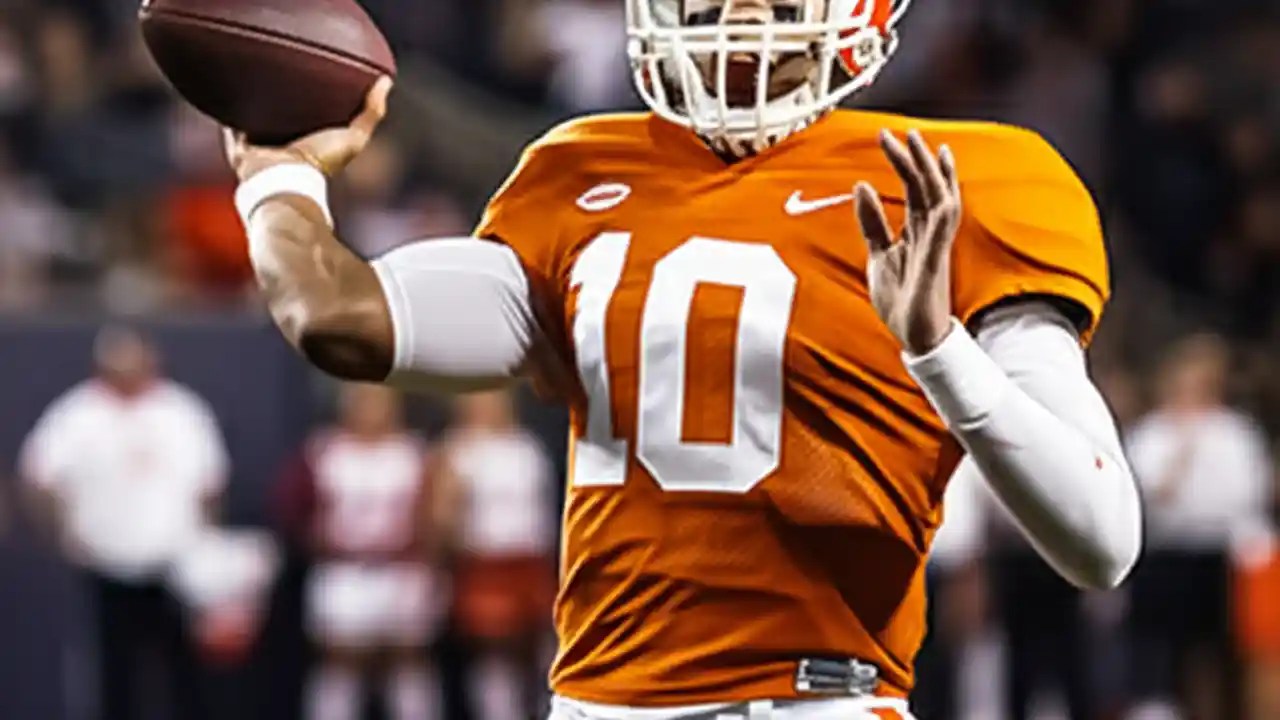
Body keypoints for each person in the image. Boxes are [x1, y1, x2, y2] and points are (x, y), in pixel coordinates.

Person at [224, 1, 1145, 717]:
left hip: (815, 701)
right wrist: (278, 174)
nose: (741, 12)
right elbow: (338, 317)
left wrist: (938, 349)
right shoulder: (576, 173)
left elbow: (1101, 537)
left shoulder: (954, 180)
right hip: (595, 704)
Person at [18, 325, 227, 720]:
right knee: (114, 677)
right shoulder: (77, 414)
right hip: (106, 568)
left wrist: (205, 547)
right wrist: (61, 533)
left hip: (175, 568)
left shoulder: (181, 410)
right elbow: (38, 478)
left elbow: (210, 485)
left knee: (186, 677)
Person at [1125, 334, 1275, 720]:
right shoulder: (1152, 433)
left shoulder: (1235, 433)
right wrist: (1183, 449)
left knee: (1216, 655)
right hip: (1166, 555)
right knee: (1162, 652)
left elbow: (1247, 494)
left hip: (1216, 558)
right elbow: (1147, 494)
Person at [276, 383, 445, 720]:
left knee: (408, 662)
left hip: (402, 570)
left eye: (379, 403)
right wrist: (318, 540)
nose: (370, 410)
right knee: (340, 664)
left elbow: (436, 515)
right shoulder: (323, 451)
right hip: (344, 571)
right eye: (362, 402)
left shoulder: (415, 453)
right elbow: (292, 512)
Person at [437, 390, 557, 720]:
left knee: (541, 650)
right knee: (494, 653)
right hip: (485, 562)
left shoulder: (527, 446)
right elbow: (442, 515)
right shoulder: (459, 449)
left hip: (530, 560)